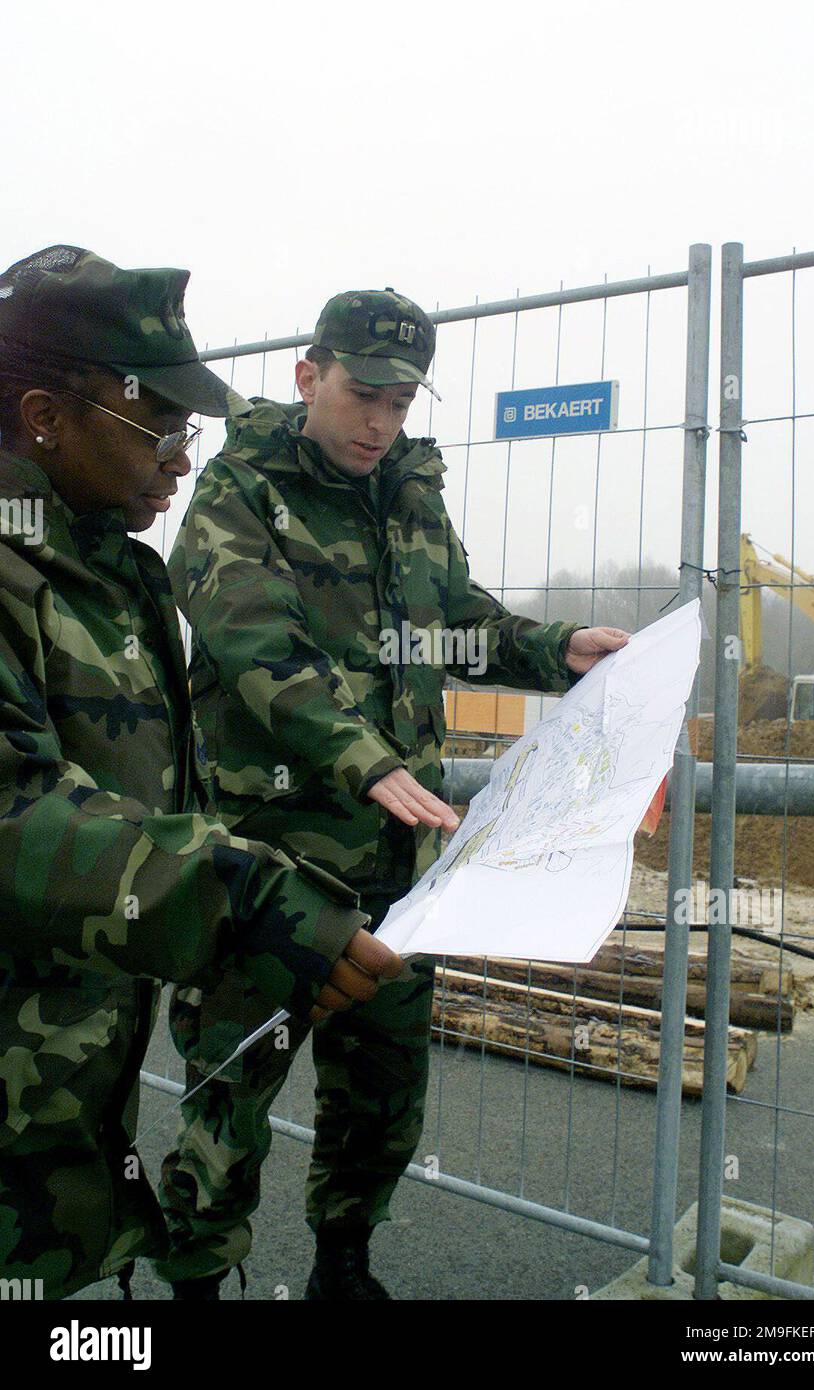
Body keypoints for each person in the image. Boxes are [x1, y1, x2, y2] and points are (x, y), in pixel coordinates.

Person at [163, 286, 630, 1300]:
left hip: (394, 868)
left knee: (379, 1092)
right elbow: (252, 639)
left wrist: (558, 649)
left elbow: (457, 621)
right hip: (266, 862)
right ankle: (197, 1278)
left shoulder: (411, 496)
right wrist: (362, 755)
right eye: (363, 393)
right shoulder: (239, 490)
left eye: (402, 401)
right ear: (308, 376)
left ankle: (344, 1263)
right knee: (230, 1089)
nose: (381, 421)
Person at [0, 248, 399, 1302]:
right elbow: (15, 810)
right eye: (159, 426)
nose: (182, 457)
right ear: (44, 413)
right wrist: (253, 901)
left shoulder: (102, 568)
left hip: (61, 1099)